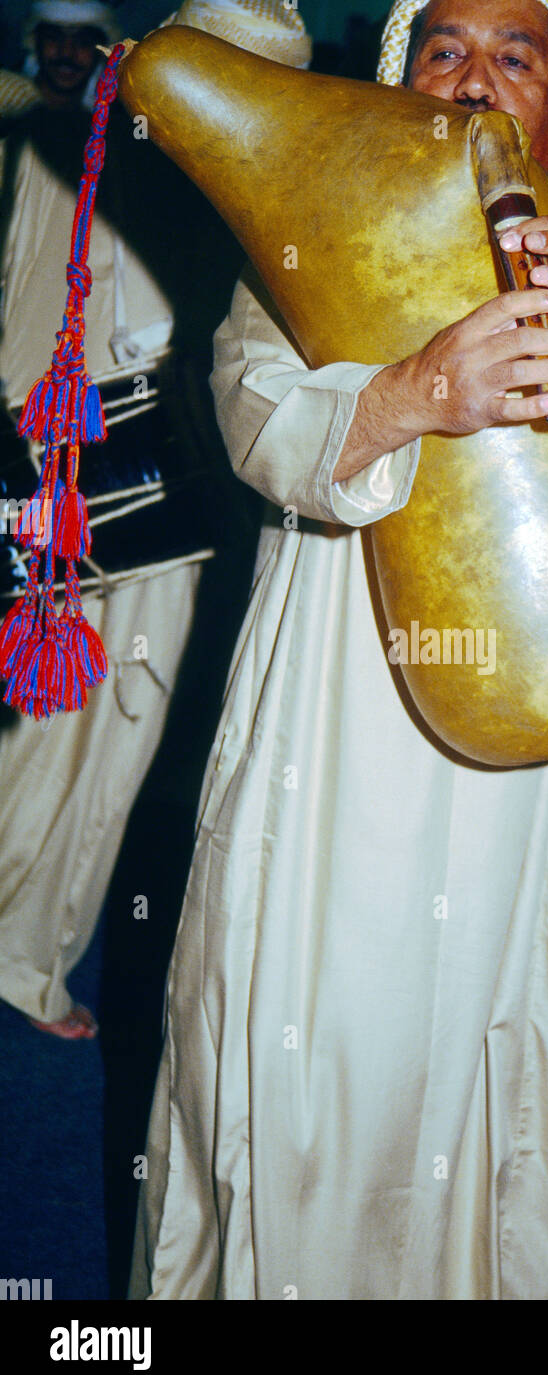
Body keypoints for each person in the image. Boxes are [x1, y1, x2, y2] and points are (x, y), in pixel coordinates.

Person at [129, 0, 548, 1300]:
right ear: (392, 80)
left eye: (512, 56)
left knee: (457, 1064)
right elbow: (256, 426)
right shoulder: (293, 236)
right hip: (326, 743)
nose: (471, 82)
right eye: (442, 49)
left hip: (509, 777)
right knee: (293, 1058)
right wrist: (419, 391)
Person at [0, 0, 304, 1040]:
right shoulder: (52, 143)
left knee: (117, 736)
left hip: (174, 517)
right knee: (24, 721)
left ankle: (28, 955)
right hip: (35, 475)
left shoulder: (283, 196)